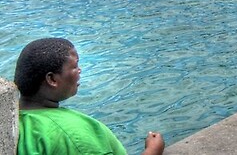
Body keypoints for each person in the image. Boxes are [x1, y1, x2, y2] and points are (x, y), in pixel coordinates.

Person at [14, 37, 164, 155]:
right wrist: (153, 150)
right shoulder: (73, 134)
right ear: (52, 79)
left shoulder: (14, 121)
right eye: (74, 66)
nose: (79, 70)